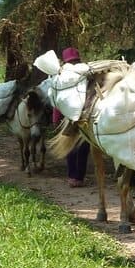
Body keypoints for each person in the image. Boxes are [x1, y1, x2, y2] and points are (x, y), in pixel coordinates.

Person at [52, 46, 90, 187]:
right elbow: (58, 99)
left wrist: (55, 120)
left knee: (81, 149)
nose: (73, 63)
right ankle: (75, 176)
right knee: (75, 148)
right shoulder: (68, 76)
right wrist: (56, 119)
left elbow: (58, 100)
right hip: (74, 118)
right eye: (72, 61)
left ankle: (77, 177)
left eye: (75, 61)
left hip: (79, 117)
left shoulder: (81, 74)